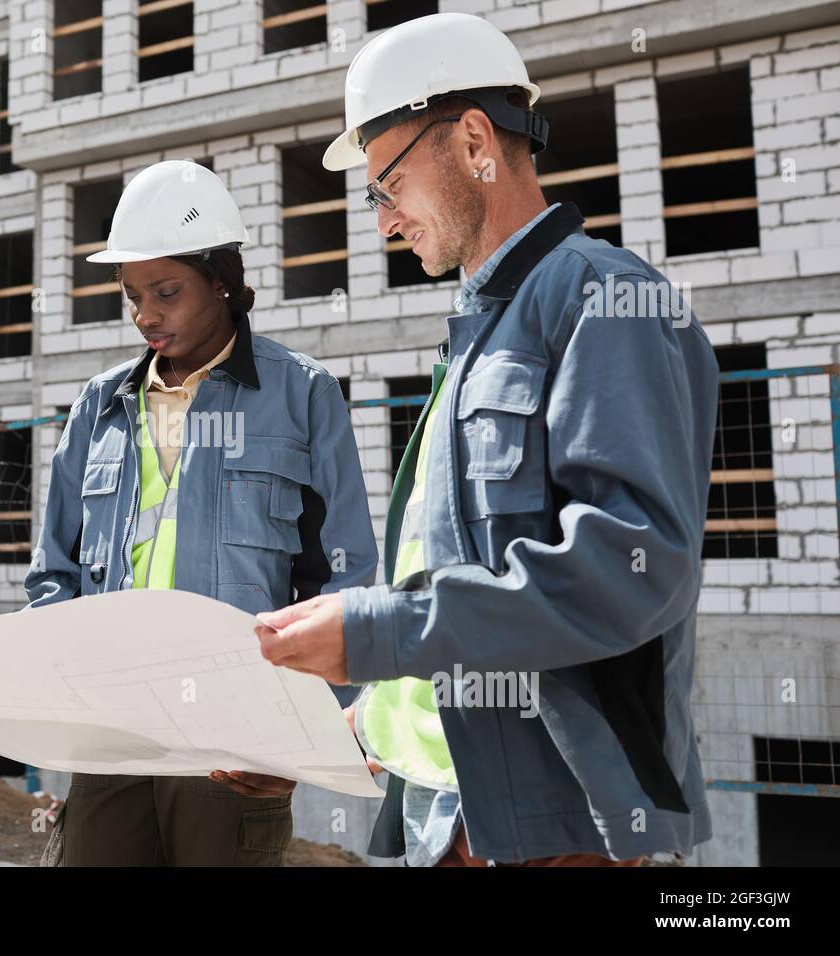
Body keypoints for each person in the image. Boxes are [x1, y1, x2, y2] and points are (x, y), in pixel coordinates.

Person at [256, 13, 718, 867]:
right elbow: (461, 583)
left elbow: (629, 568)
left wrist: (375, 630)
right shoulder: (475, 335)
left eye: (388, 185)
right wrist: (371, 716)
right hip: (450, 819)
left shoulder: (603, 304)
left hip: (565, 834)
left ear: (473, 141)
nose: (384, 221)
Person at [26, 160, 378, 866]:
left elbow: (346, 581)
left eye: (166, 291)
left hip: (235, 743)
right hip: (115, 741)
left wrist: (299, 727)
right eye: (131, 295)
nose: (146, 314)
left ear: (221, 279)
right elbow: (53, 575)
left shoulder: (302, 396)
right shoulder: (100, 407)